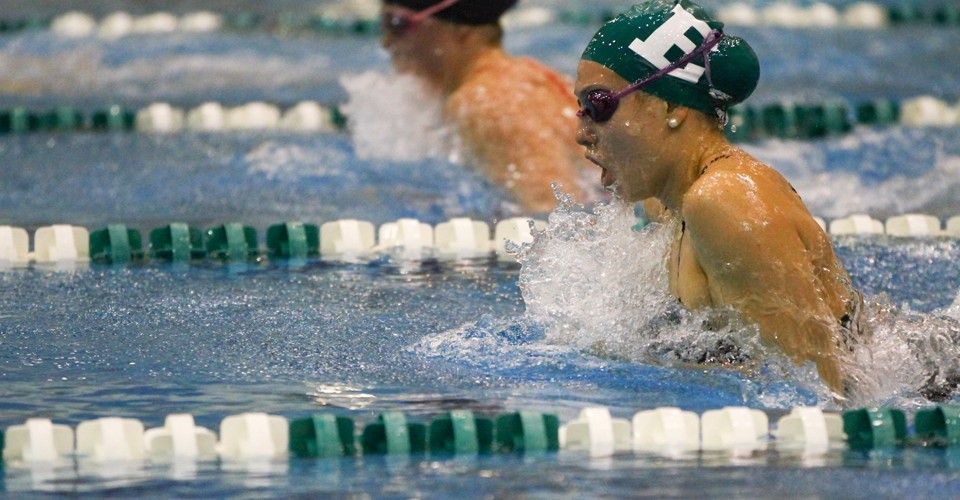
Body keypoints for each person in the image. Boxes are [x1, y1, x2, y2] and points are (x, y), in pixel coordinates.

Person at [573, 0, 863, 397]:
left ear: (671, 106)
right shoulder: (667, 201)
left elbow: (818, 389)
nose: (582, 131)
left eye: (598, 104)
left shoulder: (725, 202)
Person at [380, 0, 592, 212]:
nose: (386, 42)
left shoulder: (485, 102)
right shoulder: (529, 73)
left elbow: (553, 211)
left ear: (460, 28)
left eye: (397, 24)